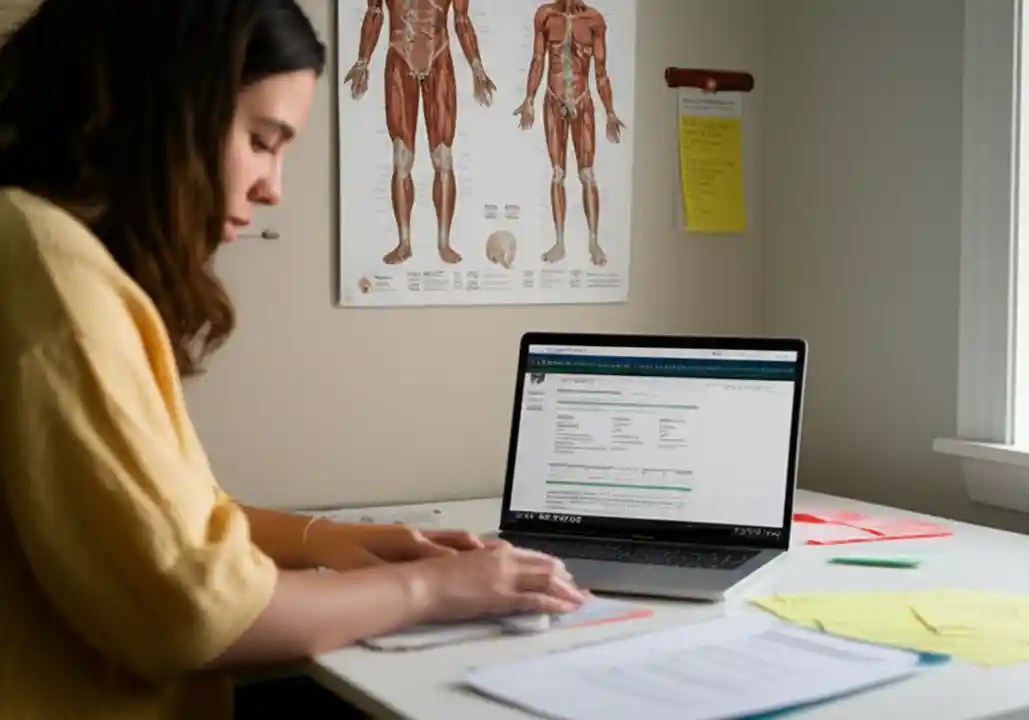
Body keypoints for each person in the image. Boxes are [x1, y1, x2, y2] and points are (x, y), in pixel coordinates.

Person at [0, 2, 587, 719]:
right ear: (165, 105)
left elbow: (172, 520)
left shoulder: (35, 246)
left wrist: (331, 540)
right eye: (261, 141)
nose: (272, 188)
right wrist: (436, 589)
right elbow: (196, 612)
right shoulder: (52, 269)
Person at [344, 0, 497, 266]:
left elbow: (461, 19)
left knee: (443, 158)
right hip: (399, 58)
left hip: (439, 58)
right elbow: (374, 12)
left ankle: (443, 243)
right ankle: (404, 243)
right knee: (401, 159)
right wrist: (362, 61)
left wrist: (477, 67)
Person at [515, 0, 625, 268]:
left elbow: (601, 72)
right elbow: (538, 60)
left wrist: (610, 112)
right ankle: (560, 242)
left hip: (582, 101)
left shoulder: (594, 20)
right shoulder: (545, 15)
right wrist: (529, 99)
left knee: (587, 174)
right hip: (553, 100)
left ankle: (593, 241)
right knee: (558, 173)